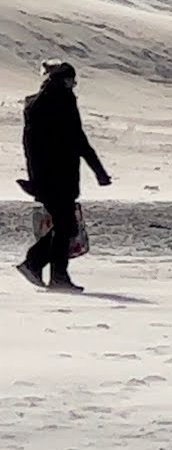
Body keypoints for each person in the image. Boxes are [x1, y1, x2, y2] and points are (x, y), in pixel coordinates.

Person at [15, 60, 111, 292]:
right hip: (59, 177)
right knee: (66, 226)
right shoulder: (61, 102)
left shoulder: (37, 104)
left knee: (64, 226)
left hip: (47, 177)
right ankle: (42, 268)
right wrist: (99, 171)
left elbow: (30, 146)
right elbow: (78, 140)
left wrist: (34, 179)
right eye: (71, 81)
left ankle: (47, 270)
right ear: (63, 80)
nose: (72, 85)